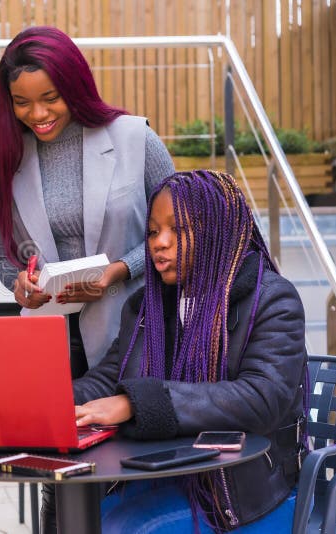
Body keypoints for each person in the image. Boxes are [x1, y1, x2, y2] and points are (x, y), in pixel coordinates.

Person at [72, 170, 308, 533]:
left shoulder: (272, 300)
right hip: (165, 473)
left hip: (243, 492)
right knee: (78, 519)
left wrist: (137, 404)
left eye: (177, 230)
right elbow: (110, 377)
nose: (159, 243)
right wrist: (53, 404)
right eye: (152, 231)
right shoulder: (148, 306)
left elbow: (262, 399)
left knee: (119, 528)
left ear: (219, 231)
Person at [0, 25, 176, 379]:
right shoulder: (9, 162)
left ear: (75, 88)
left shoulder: (136, 139)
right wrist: (19, 283)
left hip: (133, 329)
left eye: (51, 98)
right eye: (22, 102)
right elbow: (5, 258)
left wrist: (117, 271)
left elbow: (181, 233)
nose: (38, 114)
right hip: (49, 338)